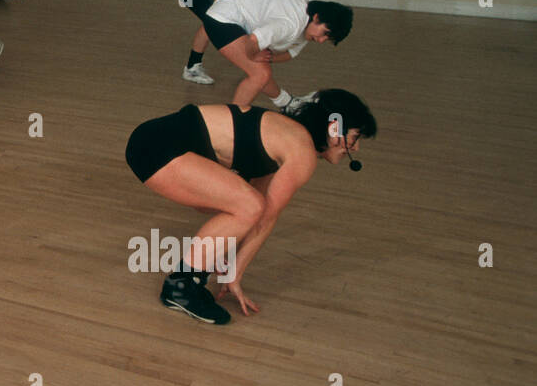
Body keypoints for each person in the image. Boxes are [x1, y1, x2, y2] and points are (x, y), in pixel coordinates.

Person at [125, 89, 377, 324]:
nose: (355, 148)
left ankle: (190, 279)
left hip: (151, 142)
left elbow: (255, 211)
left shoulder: (284, 137)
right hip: (157, 147)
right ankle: (180, 286)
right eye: (354, 137)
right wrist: (235, 273)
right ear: (335, 128)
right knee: (249, 206)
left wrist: (227, 256)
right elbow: (265, 215)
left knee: (244, 206)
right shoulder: (302, 152)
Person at [200, 0, 352, 110]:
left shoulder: (307, 19)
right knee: (260, 73)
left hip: (231, 14)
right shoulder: (290, 24)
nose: (321, 41)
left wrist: (269, 57)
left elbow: (291, 53)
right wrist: (254, 56)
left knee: (262, 69)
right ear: (317, 17)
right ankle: (232, 121)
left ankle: (286, 103)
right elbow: (253, 41)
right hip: (222, 18)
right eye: (325, 33)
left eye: (327, 39)